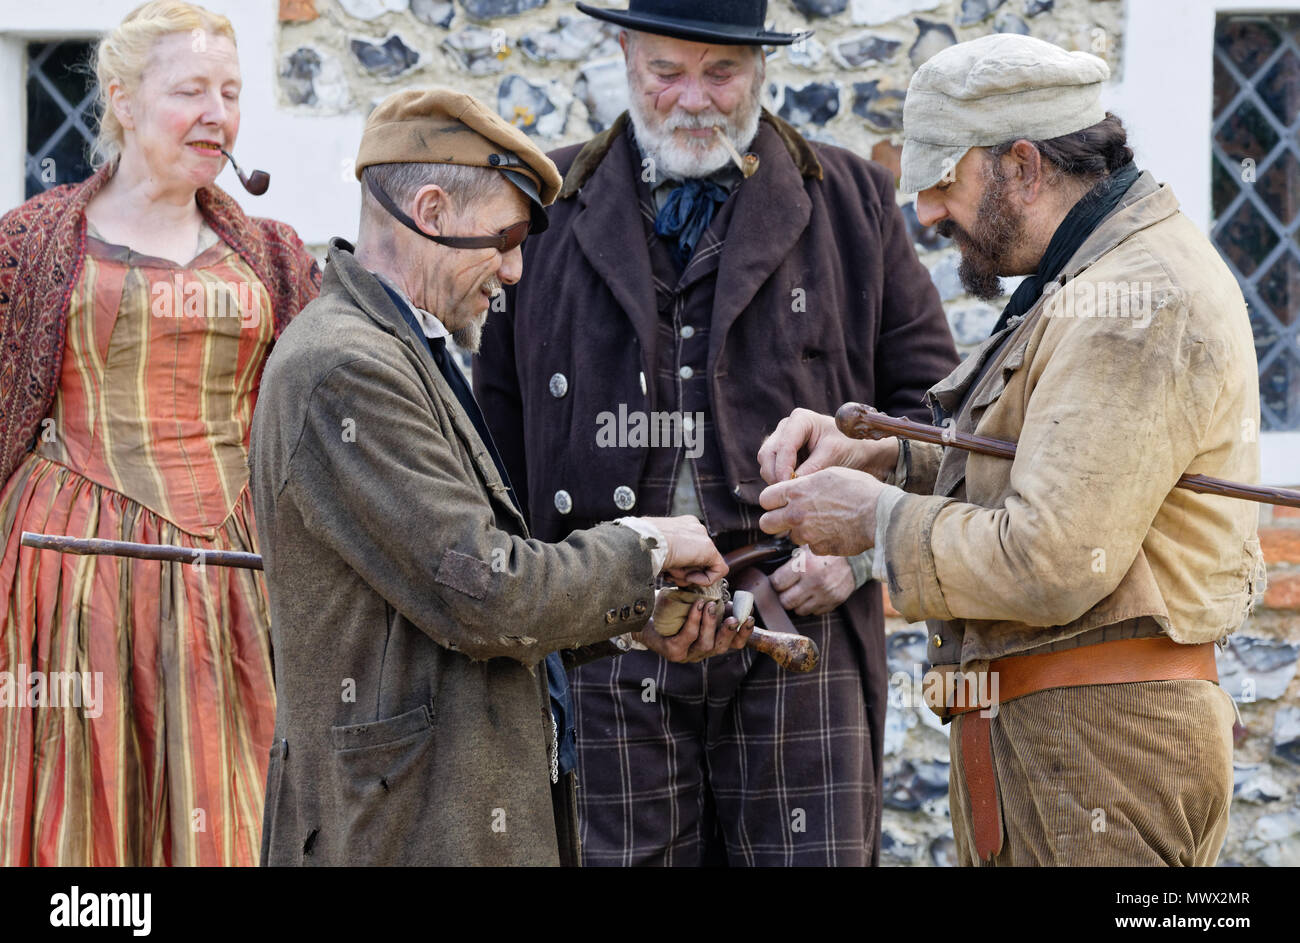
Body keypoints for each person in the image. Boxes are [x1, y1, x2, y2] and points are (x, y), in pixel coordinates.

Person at [758, 33, 1264, 866]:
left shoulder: (1133, 301)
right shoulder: (1094, 274)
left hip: (1100, 765)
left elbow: (1054, 556)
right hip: (1070, 754)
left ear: (1023, 167)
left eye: (943, 183)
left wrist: (877, 522)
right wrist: (885, 459)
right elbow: (1043, 466)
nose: (924, 214)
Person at [474, 0, 959, 865]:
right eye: (666, 71)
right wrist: (546, 603)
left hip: (798, 624)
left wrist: (861, 550)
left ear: (761, 68)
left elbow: (936, 414)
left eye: (720, 72)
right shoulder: (546, 207)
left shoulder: (850, 202)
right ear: (625, 55)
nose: (693, 98)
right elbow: (497, 442)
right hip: (610, 631)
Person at [249, 87, 754, 867]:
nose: (517, 271)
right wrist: (644, 543)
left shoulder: (403, 348)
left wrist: (634, 613)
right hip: (396, 835)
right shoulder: (345, 368)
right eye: (506, 238)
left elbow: (451, 598)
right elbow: (484, 593)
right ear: (432, 209)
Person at [0, 0, 320, 866]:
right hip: (71, 564)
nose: (217, 114)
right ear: (124, 100)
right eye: (191, 92)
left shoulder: (274, 254)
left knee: (234, 787)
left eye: (231, 92)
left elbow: (317, 411)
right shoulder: (31, 242)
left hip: (235, 567)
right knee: (86, 794)